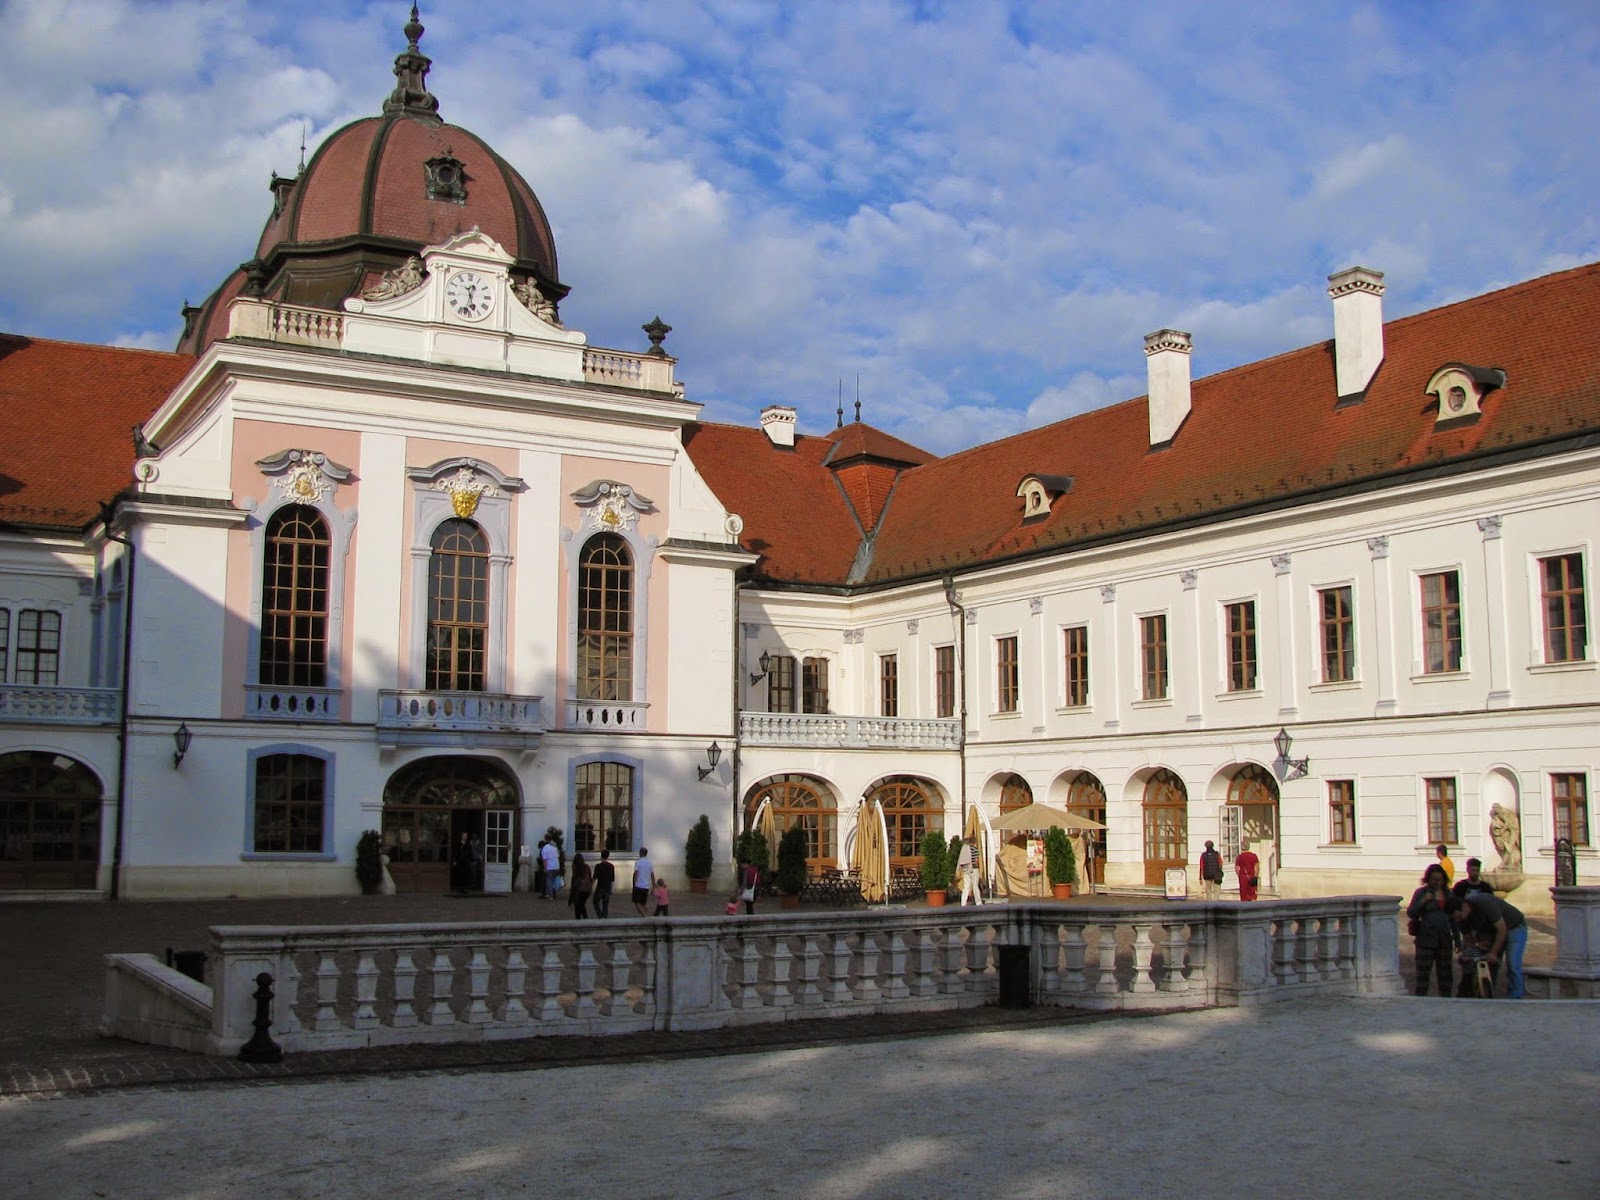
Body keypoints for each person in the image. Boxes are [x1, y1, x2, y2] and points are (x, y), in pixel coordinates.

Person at [1450, 890, 1528, 998]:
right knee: (1487, 962)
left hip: (1514, 926)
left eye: (1459, 916)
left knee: (1512, 962)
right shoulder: (1460, 918)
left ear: (1464, 906)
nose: (1458, 920)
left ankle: (1516, 996)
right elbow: (1468, 939)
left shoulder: (1485, 903)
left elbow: (1502, 929)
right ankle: (1486, 994)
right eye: (1455, 919)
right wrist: (1468, 953)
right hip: (1491, 931)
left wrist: (1493, 953)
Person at [1405, 864, 1458, 996]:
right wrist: (1423, 901)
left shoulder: (1448, 894)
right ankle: (1421, 1000)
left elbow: (1454, 919)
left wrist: (1457, 939)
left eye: (1439, 880)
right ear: (1428, 879)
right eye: (1434, 879)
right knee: (1422, 976)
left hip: (1444, 939)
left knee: (1445, 976)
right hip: (1425, 938)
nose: (1436, 883)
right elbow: (1411, 912)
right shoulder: (1421, 892)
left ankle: (1446, 1000)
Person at [957, 837, 983, 906]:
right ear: (974, 843)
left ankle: (963, 903)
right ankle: (978, 902)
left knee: (966, 886)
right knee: (975, 886)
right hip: (973, 869)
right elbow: (976, 861)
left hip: (966, 869)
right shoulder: (975, 850)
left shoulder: (965, 850)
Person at [592, 848, 616, 918]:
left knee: (595, 902)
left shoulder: (598, 866)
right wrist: (612, 889)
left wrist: (591, 886)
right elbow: (612, 879)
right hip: (607, 887)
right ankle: (604, 917)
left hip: (600, 887)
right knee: (605, 905)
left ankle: (600, 915)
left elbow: (595, 877)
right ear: (608, 856)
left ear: (601, 856)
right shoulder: (611, 866)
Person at [567, 852, 593, 919]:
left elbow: (574, 878)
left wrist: (571, 892)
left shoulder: (575, 867)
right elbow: (590, 877)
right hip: (587, 889)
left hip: (578, 889)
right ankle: (585, 918)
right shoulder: (587, 867)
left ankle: (579, 920)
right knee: (582, 904)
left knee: (577, 905)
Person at [632, 847, 654, 916]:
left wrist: (634, 884)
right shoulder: (650, 863)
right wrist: (654, 886)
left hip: (638, 885)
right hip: (646, 886)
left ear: (640, 853)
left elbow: (636, 873)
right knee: (643, 903)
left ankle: (644, 916)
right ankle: (644, 915)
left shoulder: (638, 862)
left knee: (637, 902)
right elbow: (652, 875)